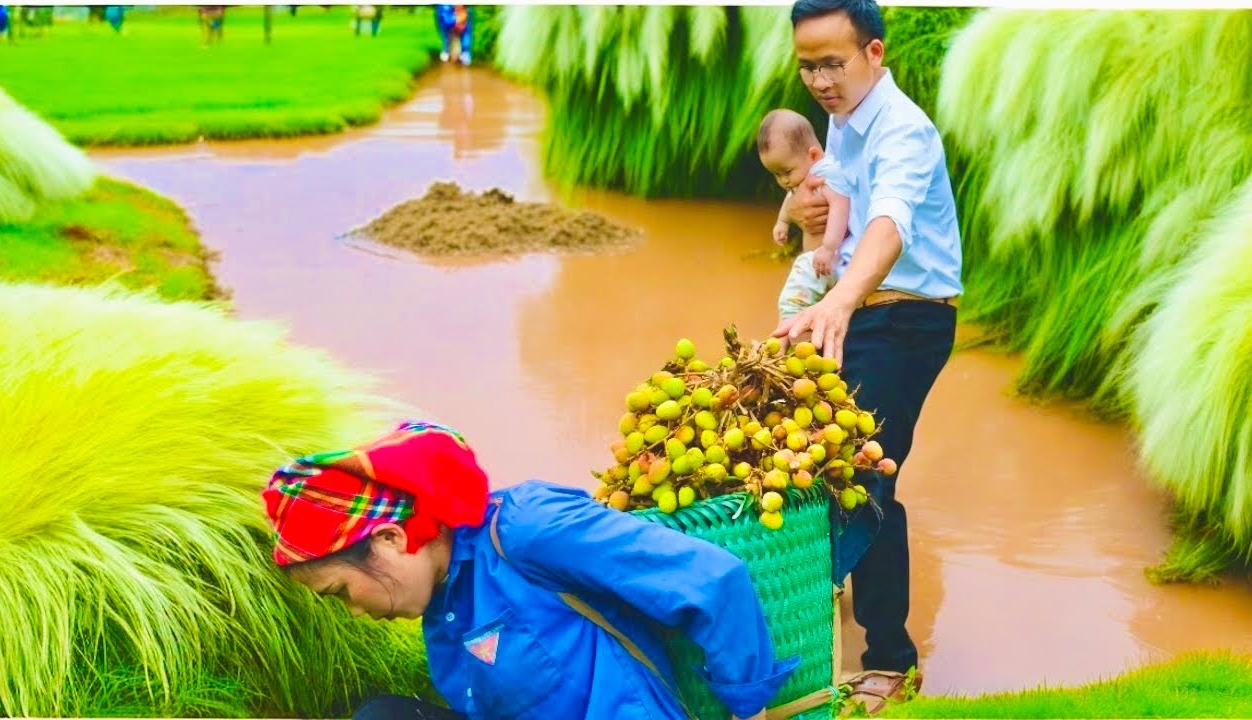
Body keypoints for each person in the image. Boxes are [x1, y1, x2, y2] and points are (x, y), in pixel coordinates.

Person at [262, 420, 800, 720]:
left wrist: (746, 708)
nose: (355, 611)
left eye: (341, 592)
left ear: (389, 538)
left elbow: (712, 579)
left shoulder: (527, 528)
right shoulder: (442, 603)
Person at [771, 0, 963, 710]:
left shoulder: (905, 131)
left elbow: (889, 226)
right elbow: (845, 210)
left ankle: (891, 662)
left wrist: (841, 299)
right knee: (817, 462)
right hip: (857, 311)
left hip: (907, 320)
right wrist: (807, 226)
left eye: (833, 63)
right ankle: (840, 622)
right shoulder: (844, 116)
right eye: (807, 65)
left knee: (865, 475)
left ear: (874, 54)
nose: (820, 80)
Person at [757, 108, 852, 323]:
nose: (784, 181)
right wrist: (783, 221)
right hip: (820, 261)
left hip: (826, 257)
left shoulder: (825, 174)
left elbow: (840, 206)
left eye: (787, 172)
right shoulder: (804, 176)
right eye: (777, 175)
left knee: (791, 303)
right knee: (816, 309)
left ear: (814, 155)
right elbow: (791, 197)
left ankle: (792, 345)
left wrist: (828, 248)